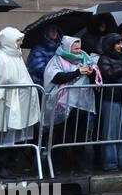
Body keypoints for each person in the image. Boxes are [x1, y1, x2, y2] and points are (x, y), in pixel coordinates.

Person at [42, 36, 100, 174]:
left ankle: (81, 165)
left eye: (79, 47)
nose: (78, 50)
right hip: (63, 104)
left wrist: (92, 73)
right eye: (75, 48)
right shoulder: (57, 59)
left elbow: (96, 78)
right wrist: (77, 72)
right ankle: (58, 166)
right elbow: (55, 77)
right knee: (62, 134)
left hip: (82, 104)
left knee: (79, 135)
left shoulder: (85, 58)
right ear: (67, 47)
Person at [0, 27, 42, 175]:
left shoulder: (17, 55)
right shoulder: (1, 58)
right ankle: (1, 165)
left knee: (16, 135)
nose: (20, 43)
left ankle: (11, 164)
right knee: (6, 134)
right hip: (8, 101)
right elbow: (1, 81)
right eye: (18, 40)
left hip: (21, 101)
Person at [96, 32, 122, 171]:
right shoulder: (103, 59)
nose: (121, 46)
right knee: (110, 133)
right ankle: (110, 163)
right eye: (118, 43)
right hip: (111, 98)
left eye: (121, 43)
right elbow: (109, 74)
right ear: (111, 45)